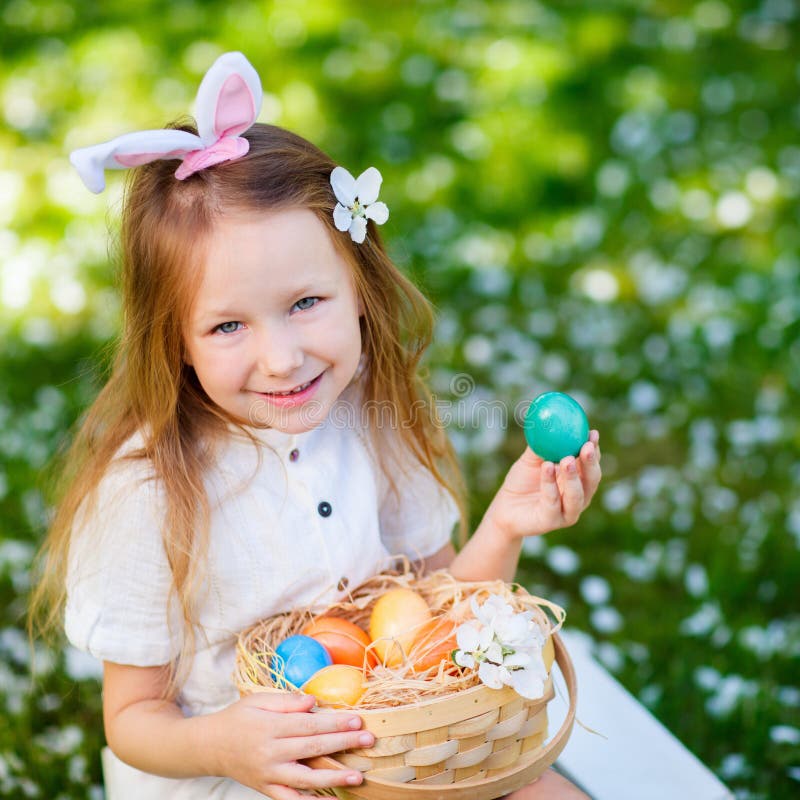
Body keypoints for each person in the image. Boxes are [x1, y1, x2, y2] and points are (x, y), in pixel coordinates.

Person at [30, 53, 601, 800]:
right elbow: (133, 717)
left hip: (397, 746)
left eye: (306, 303)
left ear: (359, 288)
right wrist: (224, 745)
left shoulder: (375, 413)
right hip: (239, 776)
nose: (282, 357)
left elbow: (435, 629)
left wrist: (505, 527)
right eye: (229, 325)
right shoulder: (148, 491)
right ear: (177, 342)